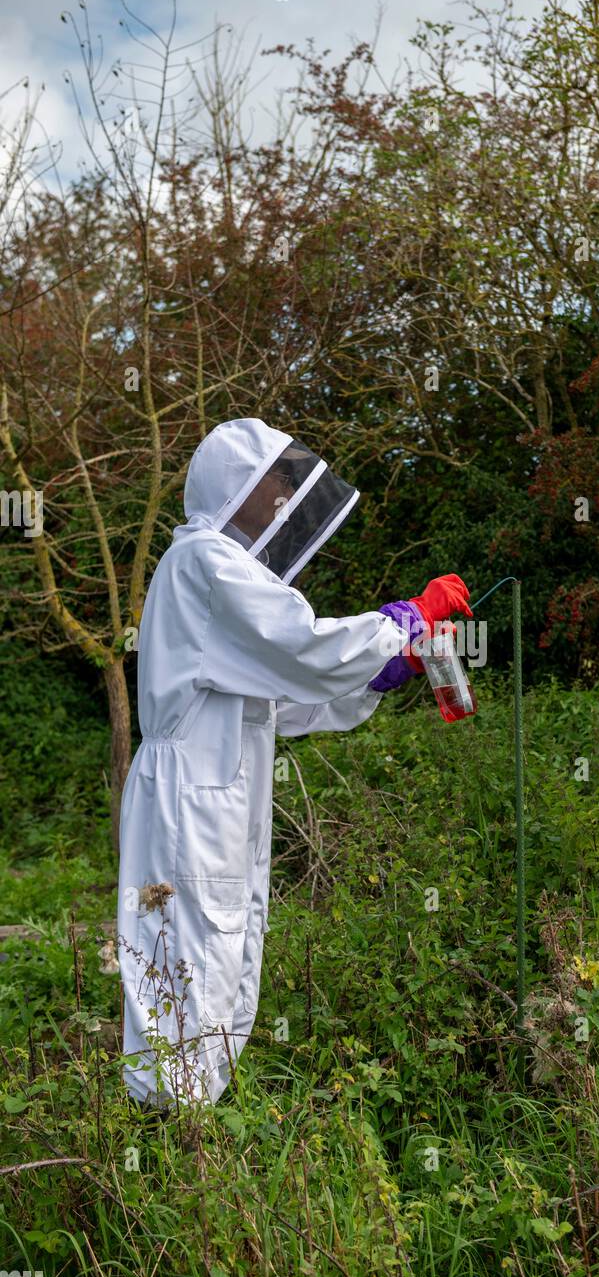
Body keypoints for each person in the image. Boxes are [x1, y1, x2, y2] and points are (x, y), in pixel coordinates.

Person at [117, 417, 471, 1108]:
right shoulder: (203, 561)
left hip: (215, 801)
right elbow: (302, 647)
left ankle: (188, 1141)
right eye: (275, 482)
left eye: (287, 484)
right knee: (186, 968)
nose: (283, 497)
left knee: (222, 961)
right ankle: (162, 1146)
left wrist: (379, 676)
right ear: (236, 487)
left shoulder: (217, 575)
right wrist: (403, 620)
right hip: (191, 804)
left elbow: (284, 701)